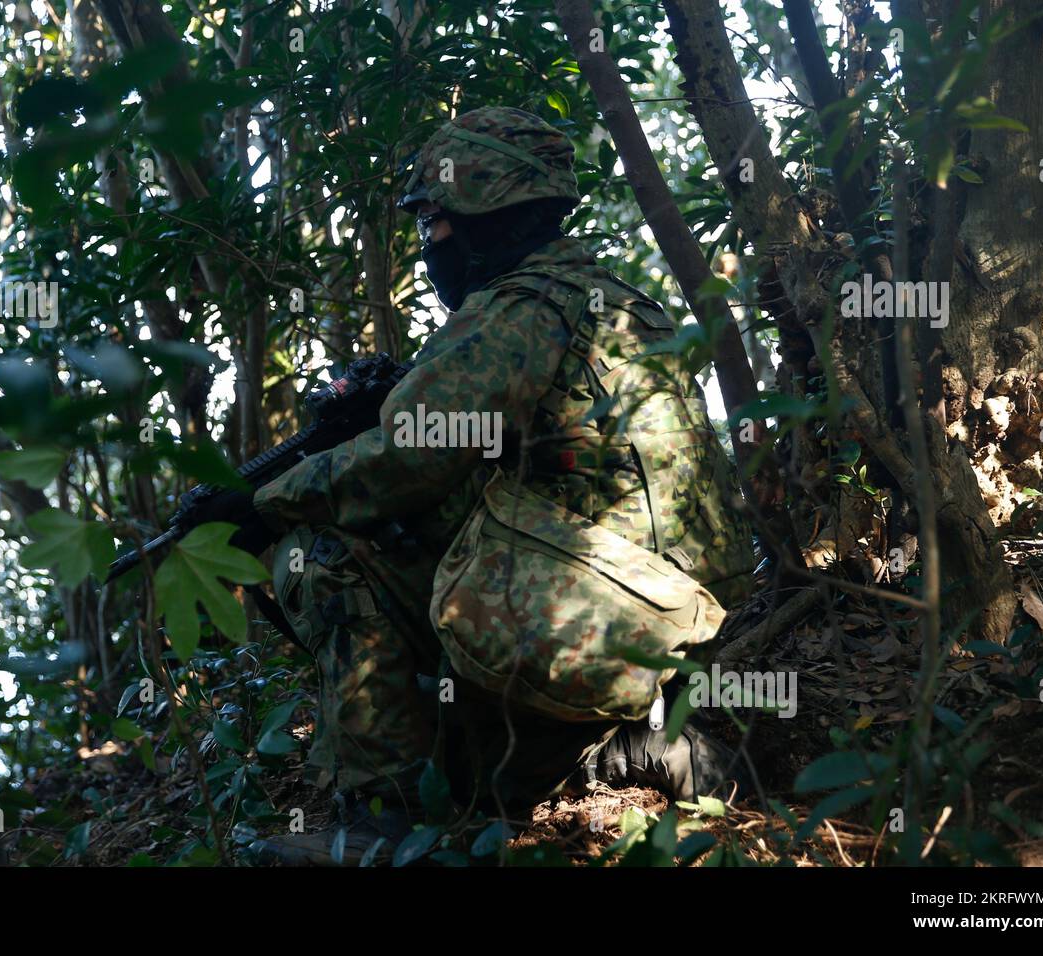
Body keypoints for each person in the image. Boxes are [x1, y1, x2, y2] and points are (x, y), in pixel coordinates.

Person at [210, 107, 757, 866]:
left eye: (435, 222)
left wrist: (265, 504)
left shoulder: (518, 309)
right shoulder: (616, 301)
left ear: (486, 216)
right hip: (677, 622)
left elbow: (409, 460)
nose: (431, 244)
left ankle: (383, 818)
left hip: (609, 617)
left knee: (326, 543)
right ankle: (615, 743)